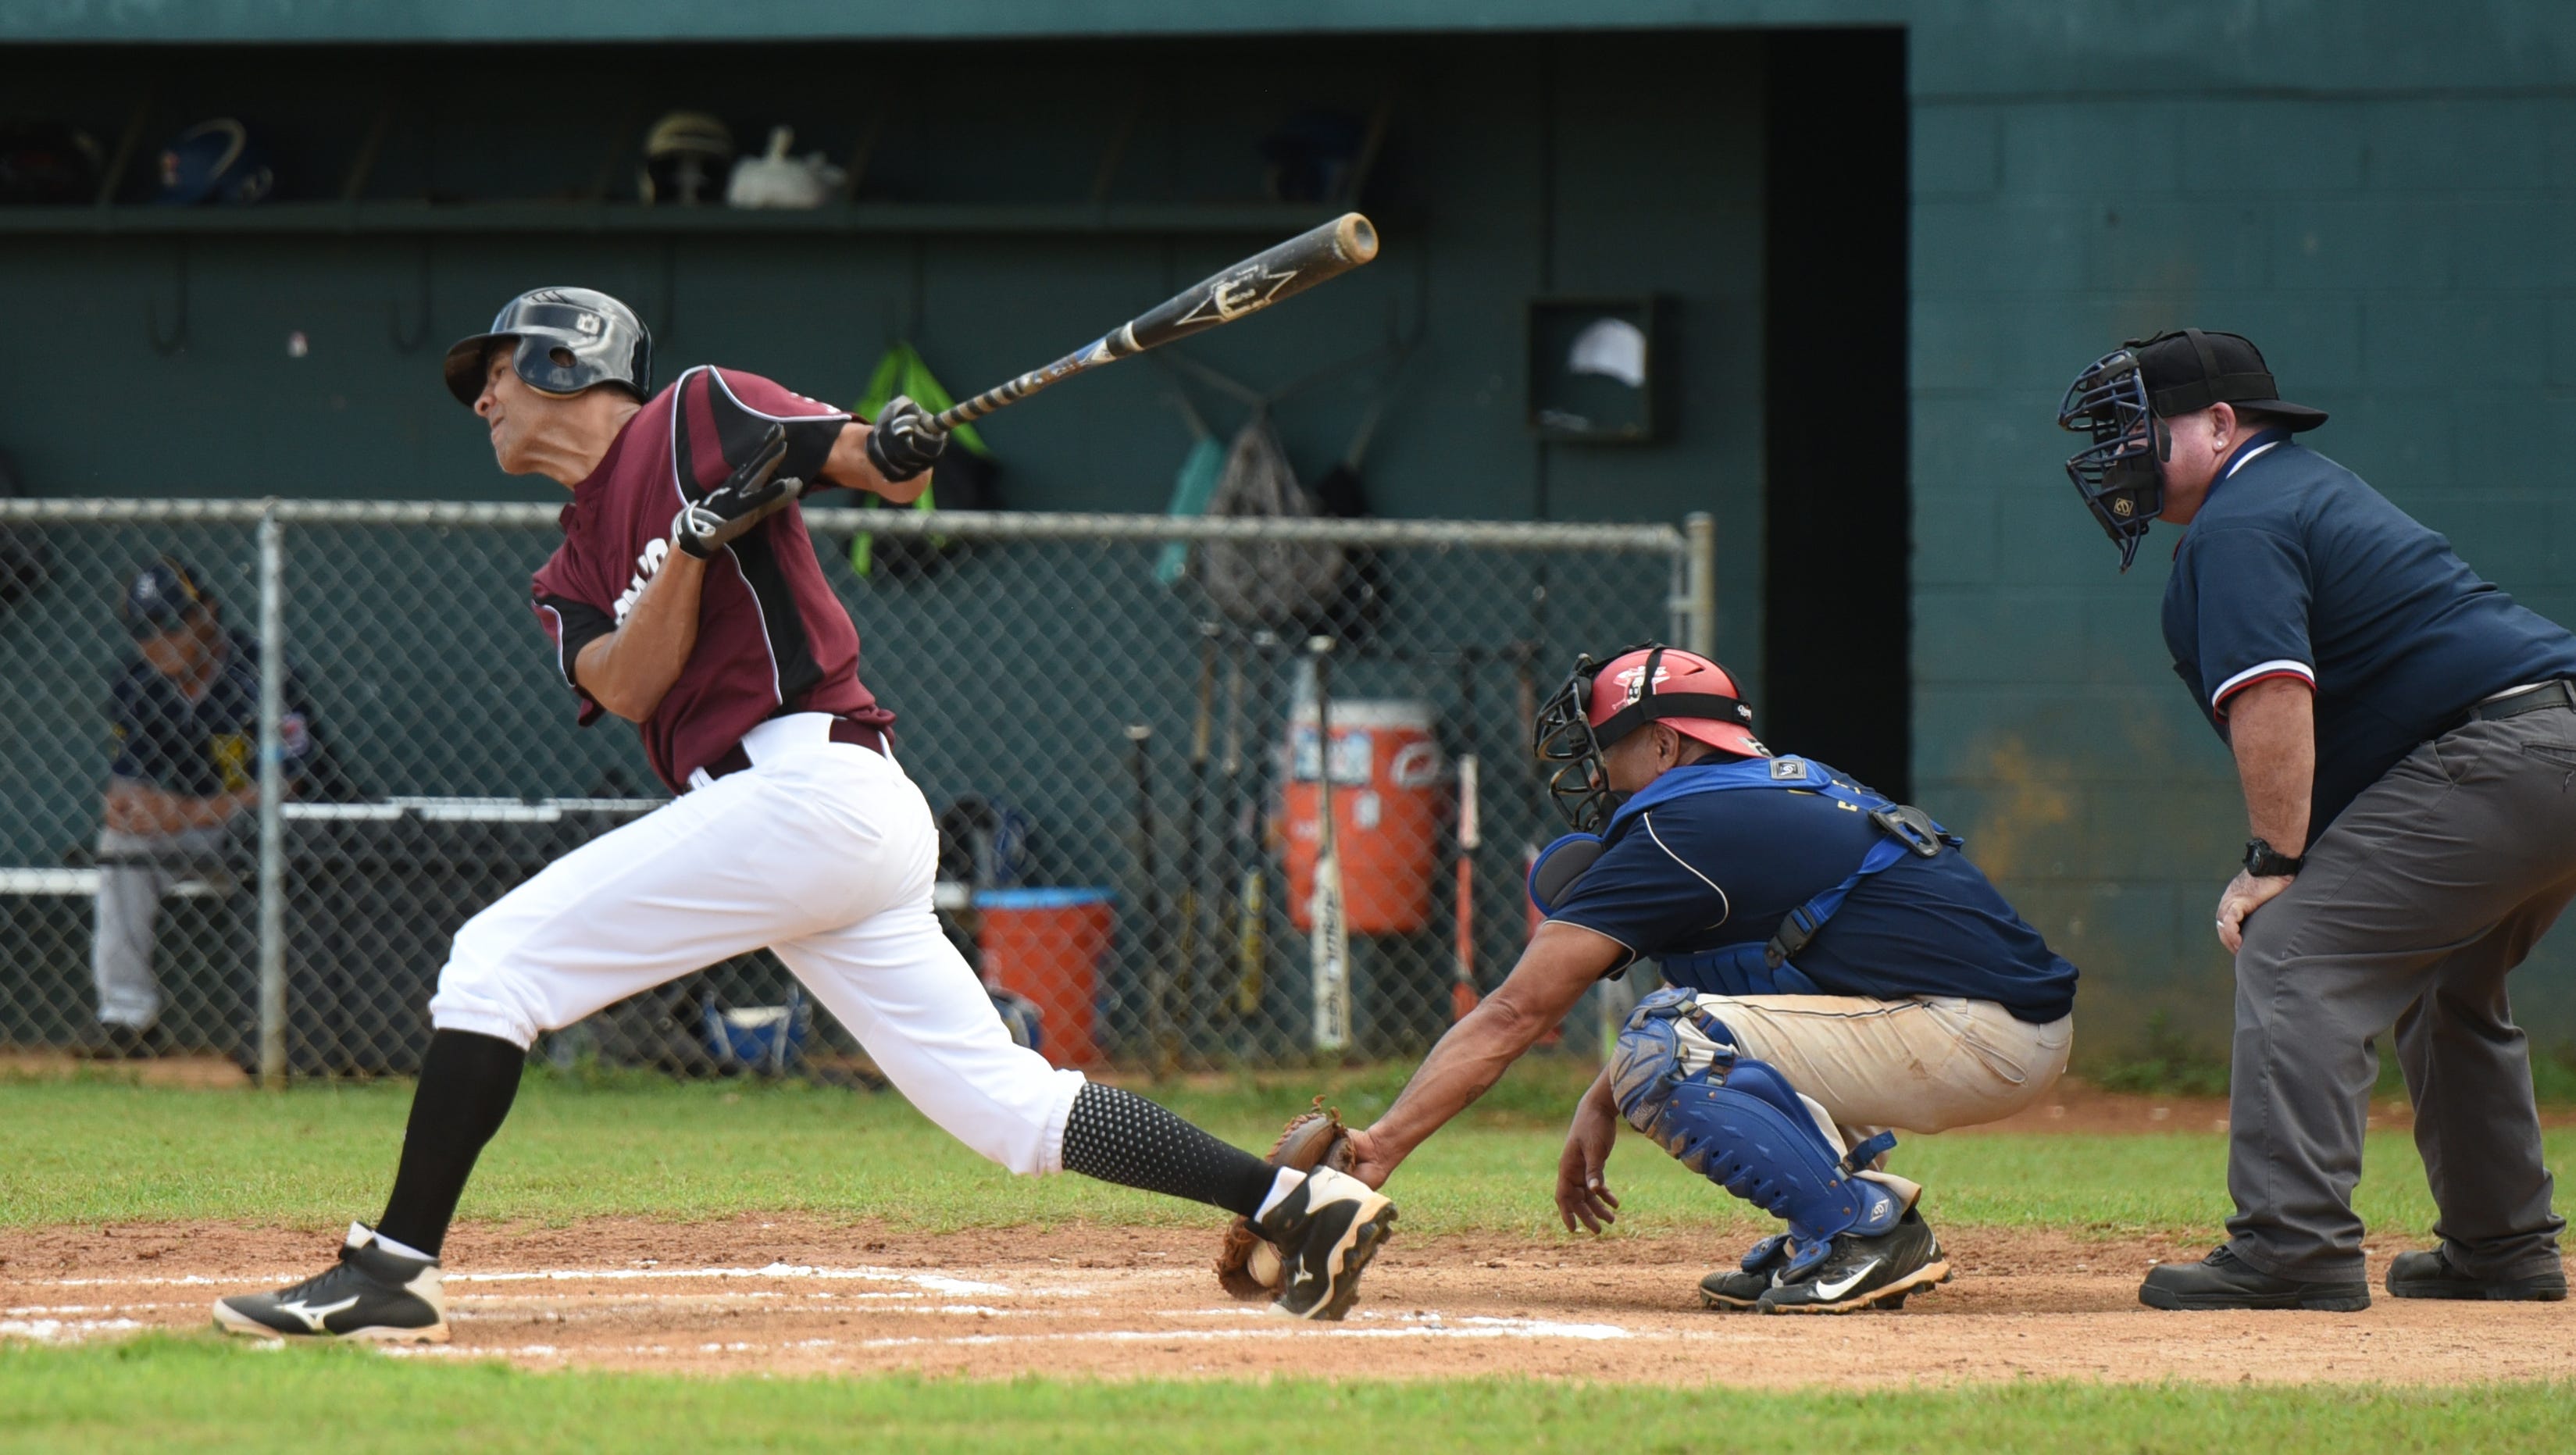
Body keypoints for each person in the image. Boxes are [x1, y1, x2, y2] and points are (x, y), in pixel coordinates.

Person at [212, 287, 1393, 1342]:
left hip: (815, 786)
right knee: (1006, 1107)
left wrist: (889, 443)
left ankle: (393, 1268)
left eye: (499, 372)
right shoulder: (568, 567)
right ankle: (1289, 1201)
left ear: (572, 362)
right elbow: (627, 681)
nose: (484, 399)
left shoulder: (695, 409)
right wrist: (688, 544)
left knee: (492, 964)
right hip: (791, 820)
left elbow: (885, 472)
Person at [2059, 329, 2574, 1311]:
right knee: (2447, 985)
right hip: (2544, 749)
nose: (2121, 455)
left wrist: (2271, 862)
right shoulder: (2291, 491)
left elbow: (2275, 697)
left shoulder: (2242, 517)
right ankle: (2501, 1247)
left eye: (2139, 431)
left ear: (2220, 425)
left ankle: (2290, 1249)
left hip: (2504, 754)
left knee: (2294, 948)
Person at [1340, 645, 2078, 1314]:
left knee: (1665, 1044)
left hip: (1974, 1029)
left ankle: (1861, 1228)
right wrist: (1601, 1096)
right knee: (1684, 1022)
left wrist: (1380, 1146)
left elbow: (1514, 1012)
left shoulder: (1678, 825)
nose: (1595, 775)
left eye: (1608, 749)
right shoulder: (1766, 791)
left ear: (1665, 743)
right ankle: (1834, 1230)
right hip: (1991, 1023)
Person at [81, 557, 317, 1059]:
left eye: (171, 623)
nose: (158, 642)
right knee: (119, 844)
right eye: (144, 630)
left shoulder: (261, 672)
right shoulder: (135, 680)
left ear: (206, 613)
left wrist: (185, 813)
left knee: (264, 837)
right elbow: (125, 783)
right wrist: (127, 808)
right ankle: (128, 1021)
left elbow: (289, 786)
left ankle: (275, 1033)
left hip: (283, 837)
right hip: (197, 834)